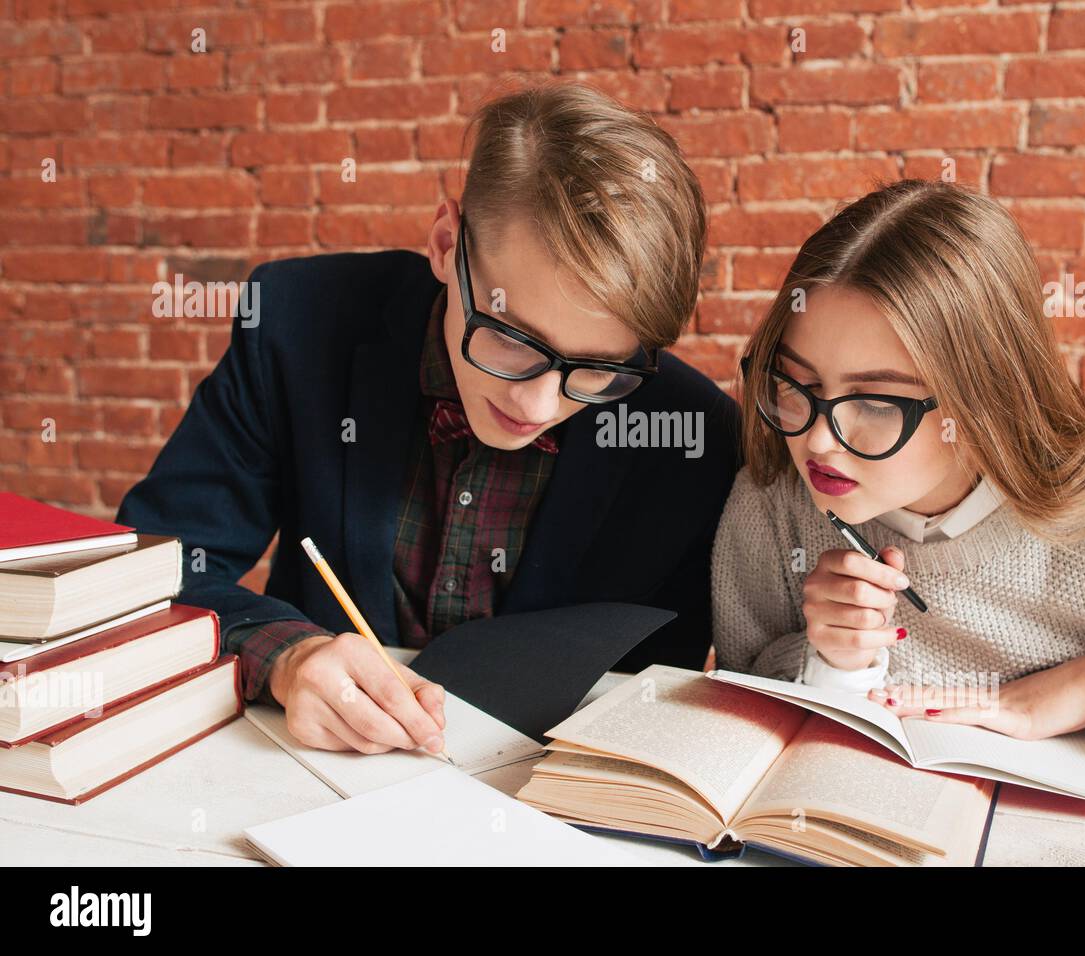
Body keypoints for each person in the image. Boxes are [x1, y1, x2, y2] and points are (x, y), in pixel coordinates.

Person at [119, 83, 740, 756]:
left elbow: (658, 687)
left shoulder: (695, 434)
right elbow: (149, 571)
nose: (536, 406)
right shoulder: (296, 323)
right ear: (446, 244)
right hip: (307, 771)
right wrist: (288, 658)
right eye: (510, 338)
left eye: (596, 368)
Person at [711, 178, 1085, 811]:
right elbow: (751, 764)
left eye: (877, 402)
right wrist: (835, 663)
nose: (819, 440)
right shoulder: (773, 500)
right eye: (794, 383)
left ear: (985, 397)